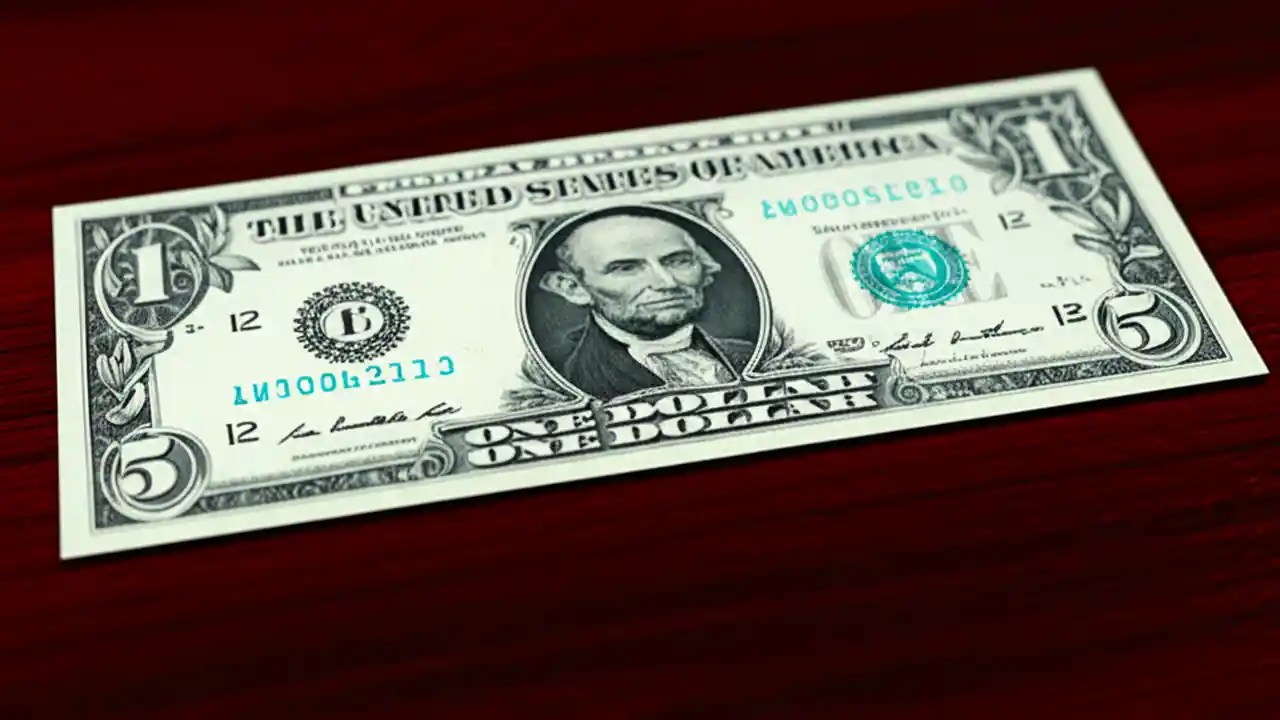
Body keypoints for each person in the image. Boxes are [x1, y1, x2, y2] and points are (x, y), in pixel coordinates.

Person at [537, 213, 754, 401]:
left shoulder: (747, 353)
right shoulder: (565, 383)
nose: (667, 283)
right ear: (573, 288)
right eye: (626, 268)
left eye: (679, 261)